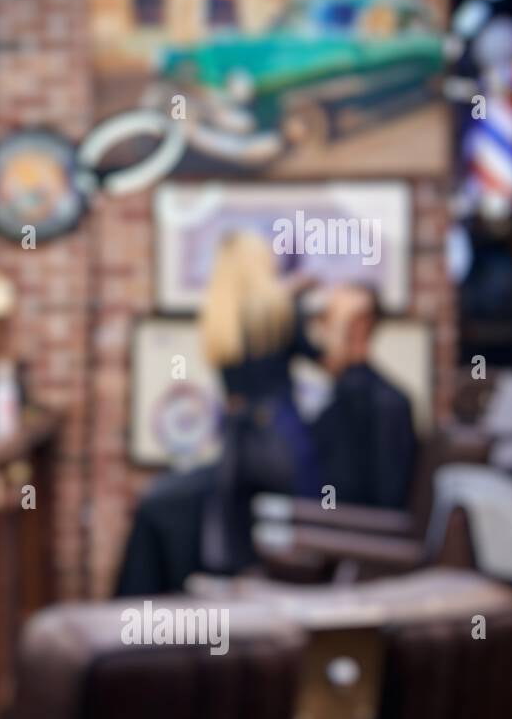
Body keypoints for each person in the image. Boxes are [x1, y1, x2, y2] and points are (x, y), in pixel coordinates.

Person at [117, 231, 318, 595]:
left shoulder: (219, 317)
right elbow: (316, 354)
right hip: (280, 434)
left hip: (238, 438)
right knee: (294, 530)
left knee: (236, 535)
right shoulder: (280, 309)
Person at [310, 285, 416, 510]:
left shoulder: (369, 405)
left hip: (349, 537)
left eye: (326, 320)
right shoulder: (346, 396)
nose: (317, 334)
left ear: (358, 327)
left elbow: (385, 503)